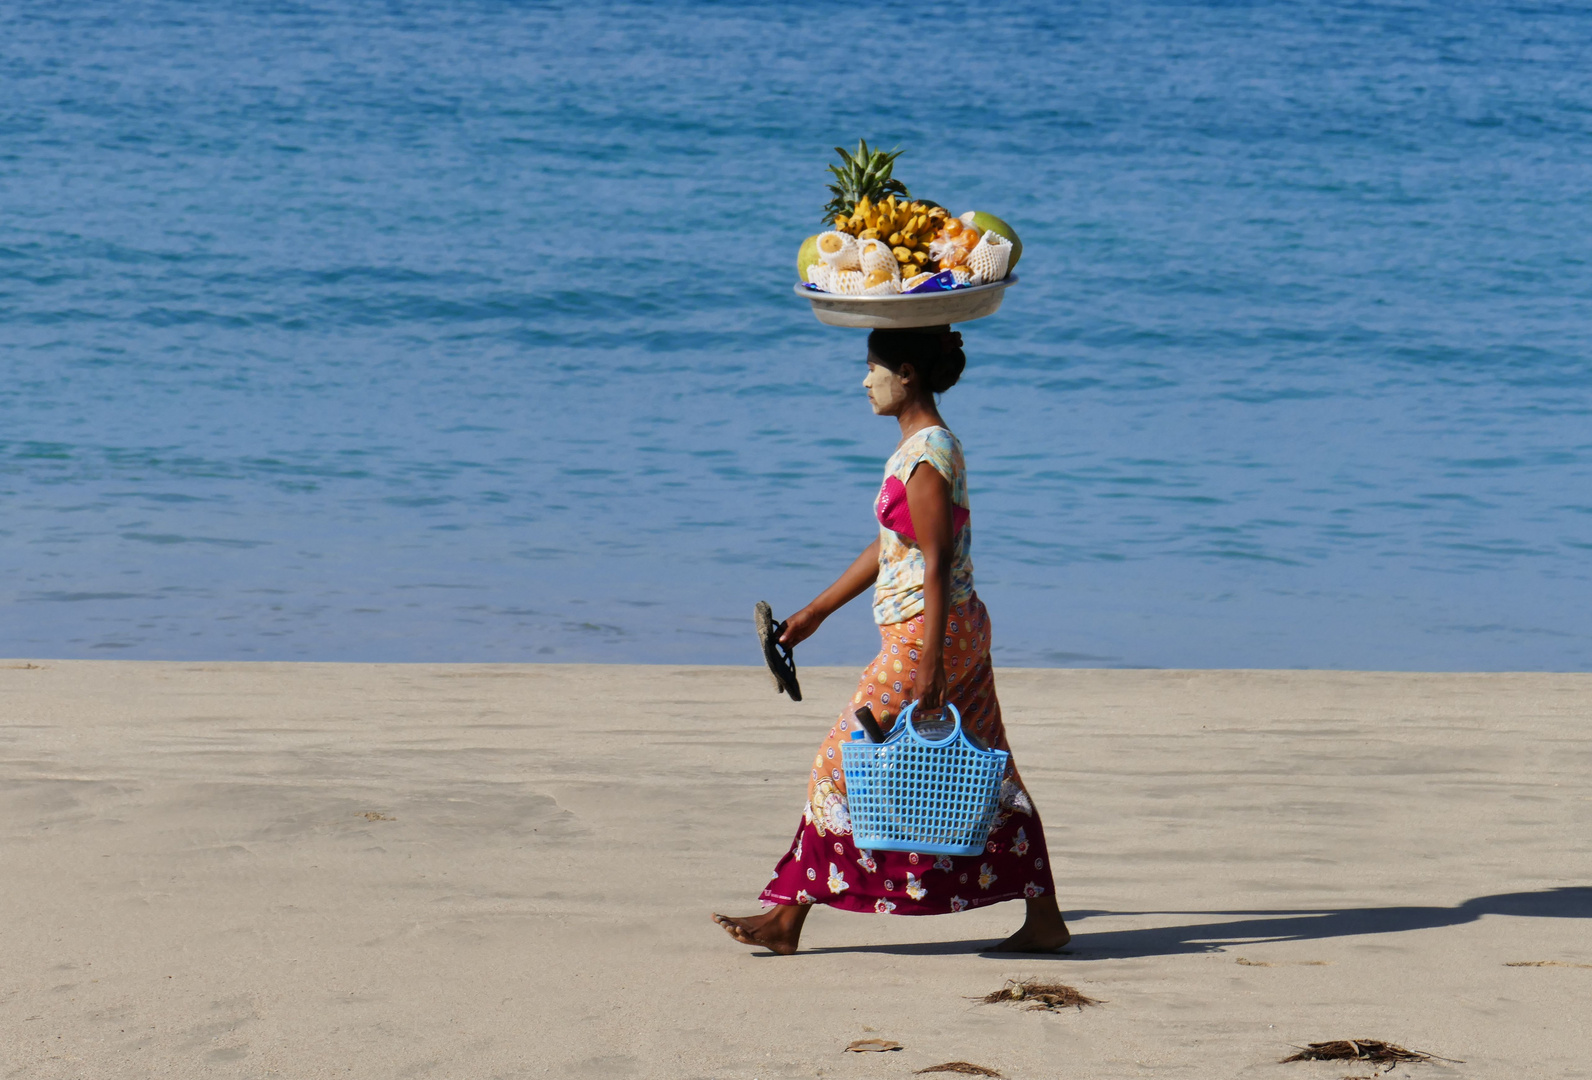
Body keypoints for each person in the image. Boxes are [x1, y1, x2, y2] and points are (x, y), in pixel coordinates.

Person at [712, 325, 1070, 955]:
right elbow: (892, 548)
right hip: (954, 628)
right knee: (992, 768)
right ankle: (1045, 919)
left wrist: (929, 661)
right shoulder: (919, 448)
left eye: (873, 369)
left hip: (927, 636)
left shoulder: (927, 455)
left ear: (907, 374)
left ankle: (787, 918)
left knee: (838, 765)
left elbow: (936, 560)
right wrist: (817, 612)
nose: (864, 381)